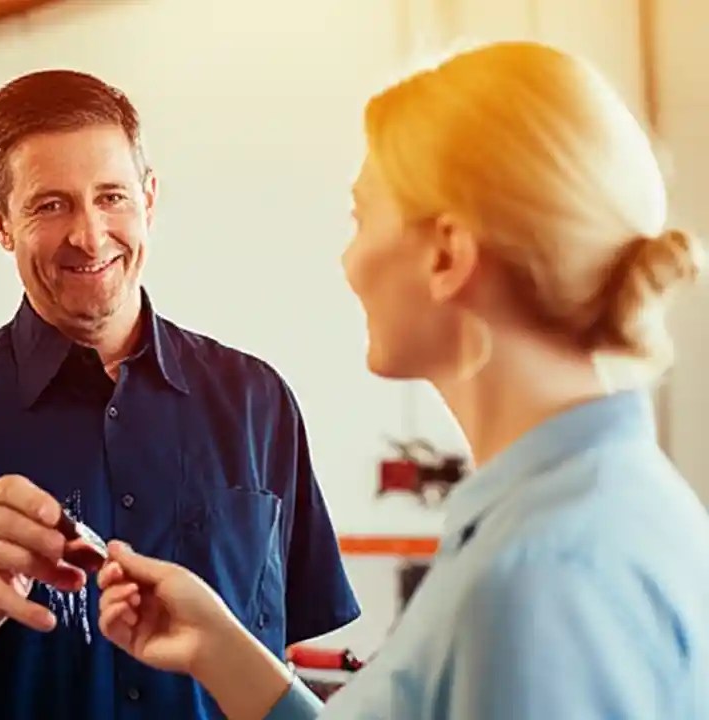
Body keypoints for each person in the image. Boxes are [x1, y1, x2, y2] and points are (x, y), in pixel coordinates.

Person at [98, 40, 709, 720]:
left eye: (362, 218)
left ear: (447, 254)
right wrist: (221, 651)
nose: (349, 261)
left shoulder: (540, 577)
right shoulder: (590, 510)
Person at [0, 69, 362, 719]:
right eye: (50, 205)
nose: (89, 235)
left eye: (111, 197)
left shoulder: (257, 401)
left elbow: (279, 652)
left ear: (149, 199)